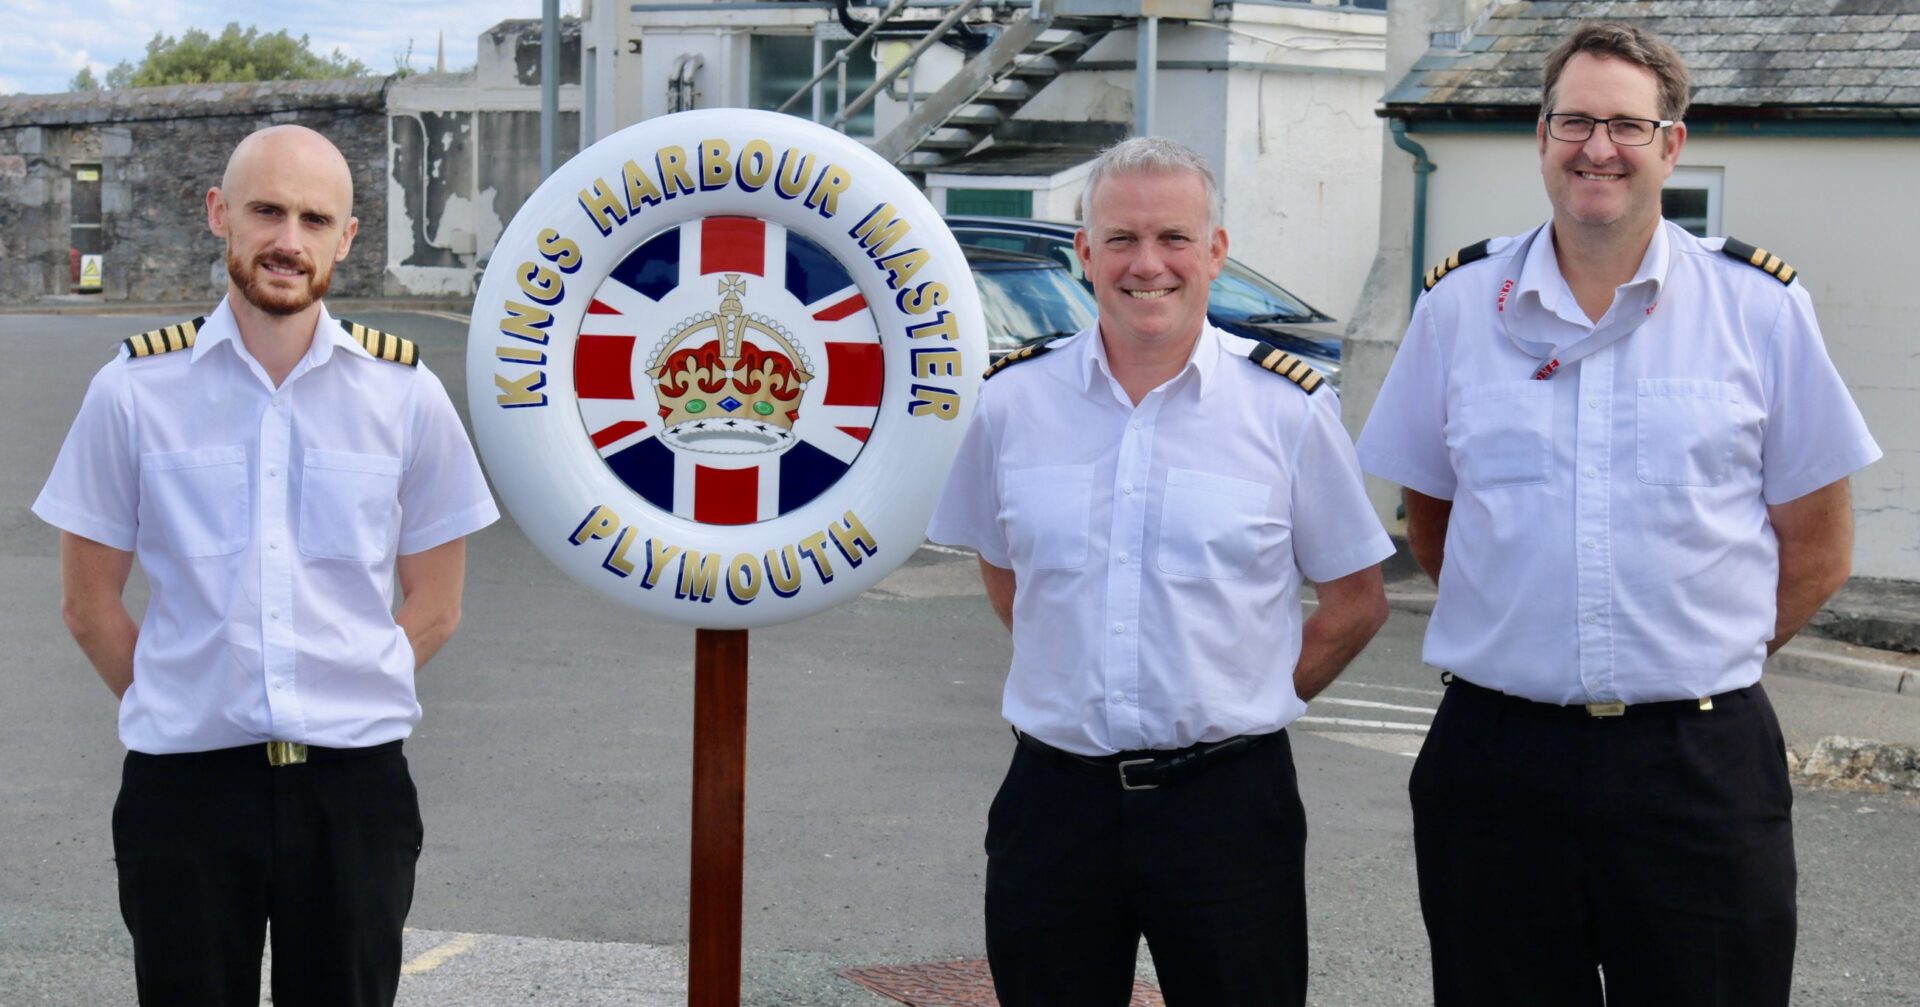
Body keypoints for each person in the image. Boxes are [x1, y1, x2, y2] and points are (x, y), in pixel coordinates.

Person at [1357, 21, 1880, 1007]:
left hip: (1698, 765)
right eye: (1575, 122)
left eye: (1627, 126)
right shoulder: (1460, 309)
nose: (1599, 147)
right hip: (1498, 760)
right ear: (1541, 136)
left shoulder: (1758, 309)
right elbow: (1432, 518)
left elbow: (1819, 545)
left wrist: (1700, 647)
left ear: (1671, 144)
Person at [34, 124, 499, 1006]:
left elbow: (436, 603)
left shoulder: (404, 396)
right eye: (268, 211)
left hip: (353, 793)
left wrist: (349, 685)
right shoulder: (134, 391)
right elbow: (87, 604)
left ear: (347, 238)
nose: (290, 239)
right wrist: (187, 695)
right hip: (187, 791)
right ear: (219, 215)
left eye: (316, 218)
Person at [927, 136, 1393, 1007]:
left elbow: (1357, 603)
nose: (1149, 265)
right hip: (1054, 803)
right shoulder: (1011, 404)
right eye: (1121, 240)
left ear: (1216, 251)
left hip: (1226, 807)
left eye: (1175, 238)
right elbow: (1008, 575)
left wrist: (1246, 695)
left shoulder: (1288, 412)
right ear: (1084, 253)